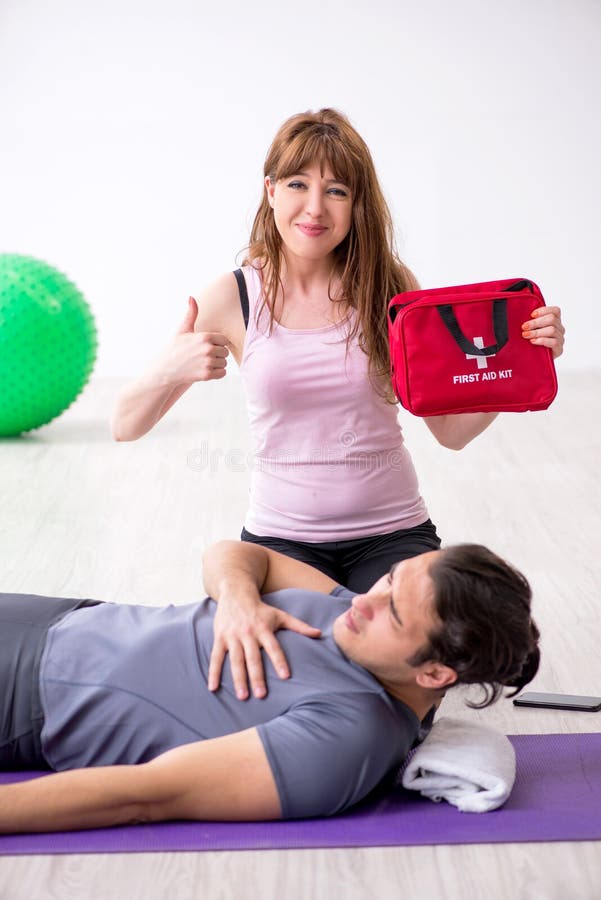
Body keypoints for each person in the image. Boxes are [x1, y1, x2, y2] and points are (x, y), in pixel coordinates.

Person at [110, 108, 562, 685]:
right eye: (298, 184)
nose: (315, 208)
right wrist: (165, 369)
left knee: (403, 681)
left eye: (336, 191)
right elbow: (125, 424)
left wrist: (522, 359)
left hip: (393, 537)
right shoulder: (232, 297)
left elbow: (450, 433)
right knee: (288, 678)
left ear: (357, 204)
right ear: (270, 191)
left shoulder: (390, 287)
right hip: (281, 545)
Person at [0, 540, 538, 834]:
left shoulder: (348, 736)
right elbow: (235, 554)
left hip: (26, 701)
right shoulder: (352, 618)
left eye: (392, 612)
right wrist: (239, 600)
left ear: (435, 675)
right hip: (63, 617)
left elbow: (145, 794)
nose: (363, 600)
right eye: (390, 577)